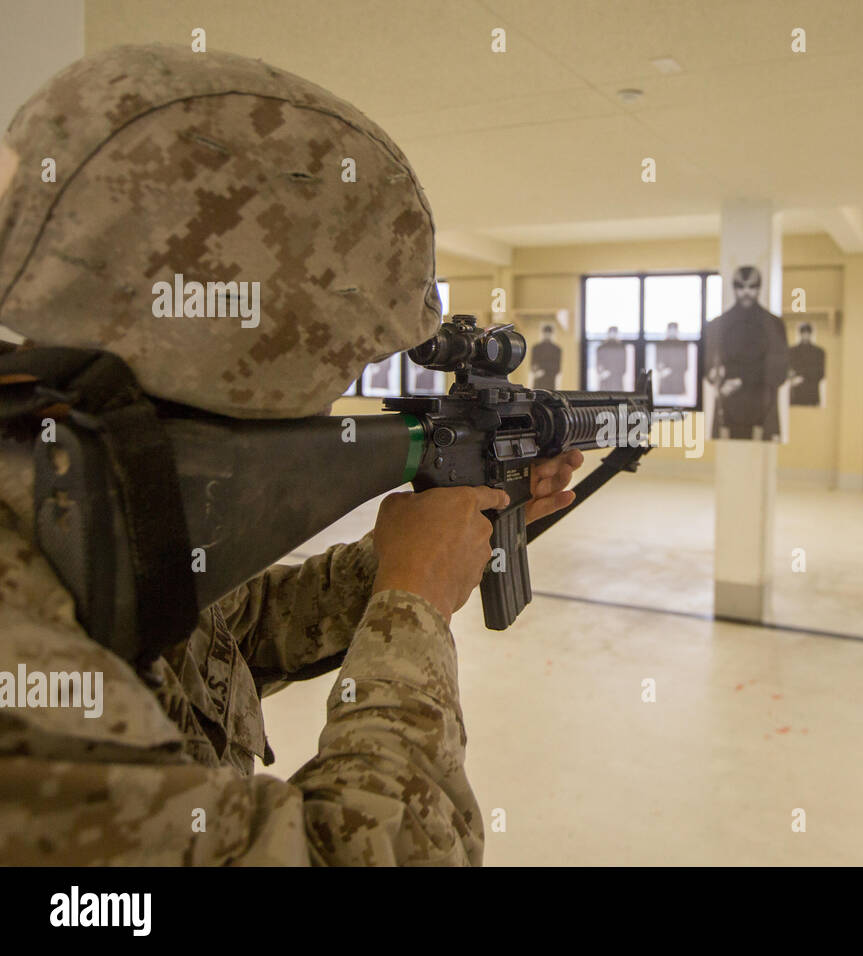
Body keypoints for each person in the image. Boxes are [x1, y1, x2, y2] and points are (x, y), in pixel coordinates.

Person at [0, 45, 582, 865]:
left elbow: (227, 624)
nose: (329, 398)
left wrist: (416, 551)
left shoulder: (69, 487)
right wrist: (411, 604)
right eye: (330, 371)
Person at [703, 266, 789, 440]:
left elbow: (780, 371)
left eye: (752, 287)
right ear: (734, 288)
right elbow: (708, 366)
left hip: (762, 408)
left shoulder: (774, 325)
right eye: (741, 287)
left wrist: (741, 380)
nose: (746, 292)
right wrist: (717, 377)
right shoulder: (717, 325)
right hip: (728, 411)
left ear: (759, 288)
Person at [787, 322, 826, 407]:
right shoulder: (792, 351)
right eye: (803, 333)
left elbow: (822, 372)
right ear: (800, 334)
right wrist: (793, 378)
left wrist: (804, 376)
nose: (805, 335)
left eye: (807, 333)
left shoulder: (818, 352)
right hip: (796, 392)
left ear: (810, 334)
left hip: (811, 392)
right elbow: (789, 369)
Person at [656, 321, 689, 395]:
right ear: (667, 331)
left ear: (677, 331)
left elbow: (685, 365)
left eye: (674, 330)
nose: (672, 332)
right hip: (664, 385)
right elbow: (658, 362)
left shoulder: (683, 345)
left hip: (678, 385)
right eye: (670, 330)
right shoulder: (661, 344)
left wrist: (671, 370)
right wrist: (661, 370)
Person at [530, 323, 562, 390]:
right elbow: (533, 365)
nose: (547, 335)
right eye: (545, 333)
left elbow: (557, 368)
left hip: (550, 382)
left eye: (549, 333)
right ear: (543, 333)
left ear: (551, 334)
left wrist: (543, 370)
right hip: (538, 383)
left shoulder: (556, 349)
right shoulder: (536, 348)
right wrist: (537, 371)